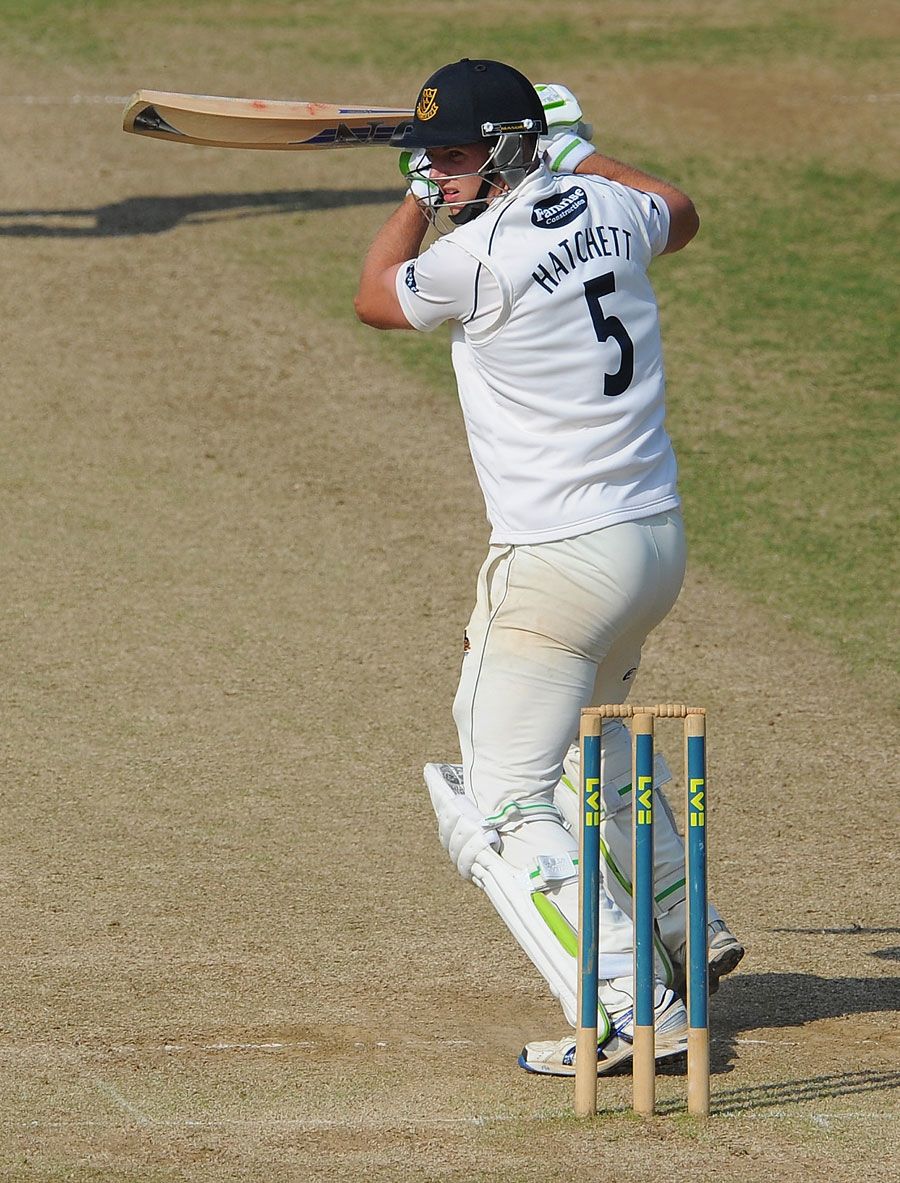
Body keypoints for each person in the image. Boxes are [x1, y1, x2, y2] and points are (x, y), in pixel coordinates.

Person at [355, 60, 743, 1077]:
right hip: (653, 543)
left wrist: (407, 200)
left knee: (496, 801)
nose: (437, 175)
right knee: (590, 748)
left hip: (557, 563)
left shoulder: (473, 258)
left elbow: (374, 298)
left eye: (452, 155)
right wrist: (572, 146)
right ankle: (678, 926)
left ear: (507, 148)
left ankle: (628, 999)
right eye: (429, 158)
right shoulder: (615, 204)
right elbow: (681, 210)